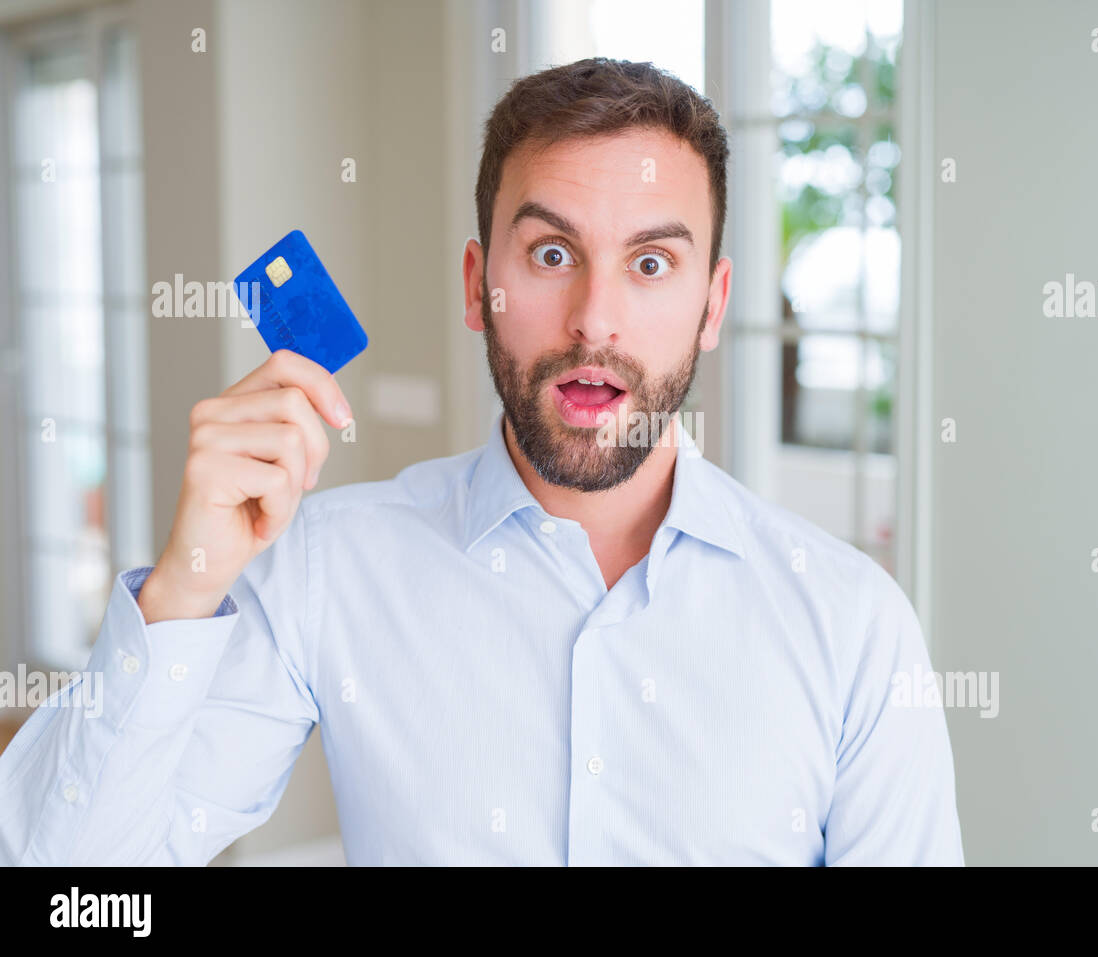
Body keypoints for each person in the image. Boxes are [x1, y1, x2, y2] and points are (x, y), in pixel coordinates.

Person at [0, 57, 963, 865]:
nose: (594, 316)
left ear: (713, 307)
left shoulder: (853, 626)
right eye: (551, 255)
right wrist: (182, 587)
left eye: (651, 263)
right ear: (479, 286)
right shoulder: (327, 568)